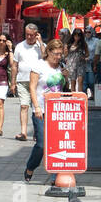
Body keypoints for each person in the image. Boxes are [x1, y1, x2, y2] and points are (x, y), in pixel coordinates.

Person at [23, 39, 67, 182]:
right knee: (41, 143)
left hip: (58, 110)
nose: (58, 57)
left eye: (61, 54)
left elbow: (65, 88)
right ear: (48, 52)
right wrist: (36, 107)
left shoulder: (61, 67)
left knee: (57, 143)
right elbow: (32, 87)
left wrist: (67, 76)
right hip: (41, 109)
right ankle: (30, 167)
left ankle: (55, 175)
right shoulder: (39, 66)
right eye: (56, 54)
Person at [12, 23, 45, 141]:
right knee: (24, 105)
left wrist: (40, 42)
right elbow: (14, 65)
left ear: (37, 34)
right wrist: (13, 82)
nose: (29, 37)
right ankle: (24, 132)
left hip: (37, 82)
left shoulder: (40, 46)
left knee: (37, 107)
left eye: (32, 35)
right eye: (27, 34)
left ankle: (38, 132)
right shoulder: (20, 46)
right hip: (22, 80)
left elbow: (46, 57)